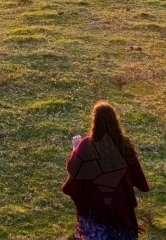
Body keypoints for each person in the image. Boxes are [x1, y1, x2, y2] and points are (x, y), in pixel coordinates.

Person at [62, 101, 150, 240]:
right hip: (120, 205)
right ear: (115, 121)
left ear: (95, 121)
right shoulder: (124, 145)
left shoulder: (87, 144)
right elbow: (137, 175)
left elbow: (73, 169)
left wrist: (75, 148)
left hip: (95, 206)